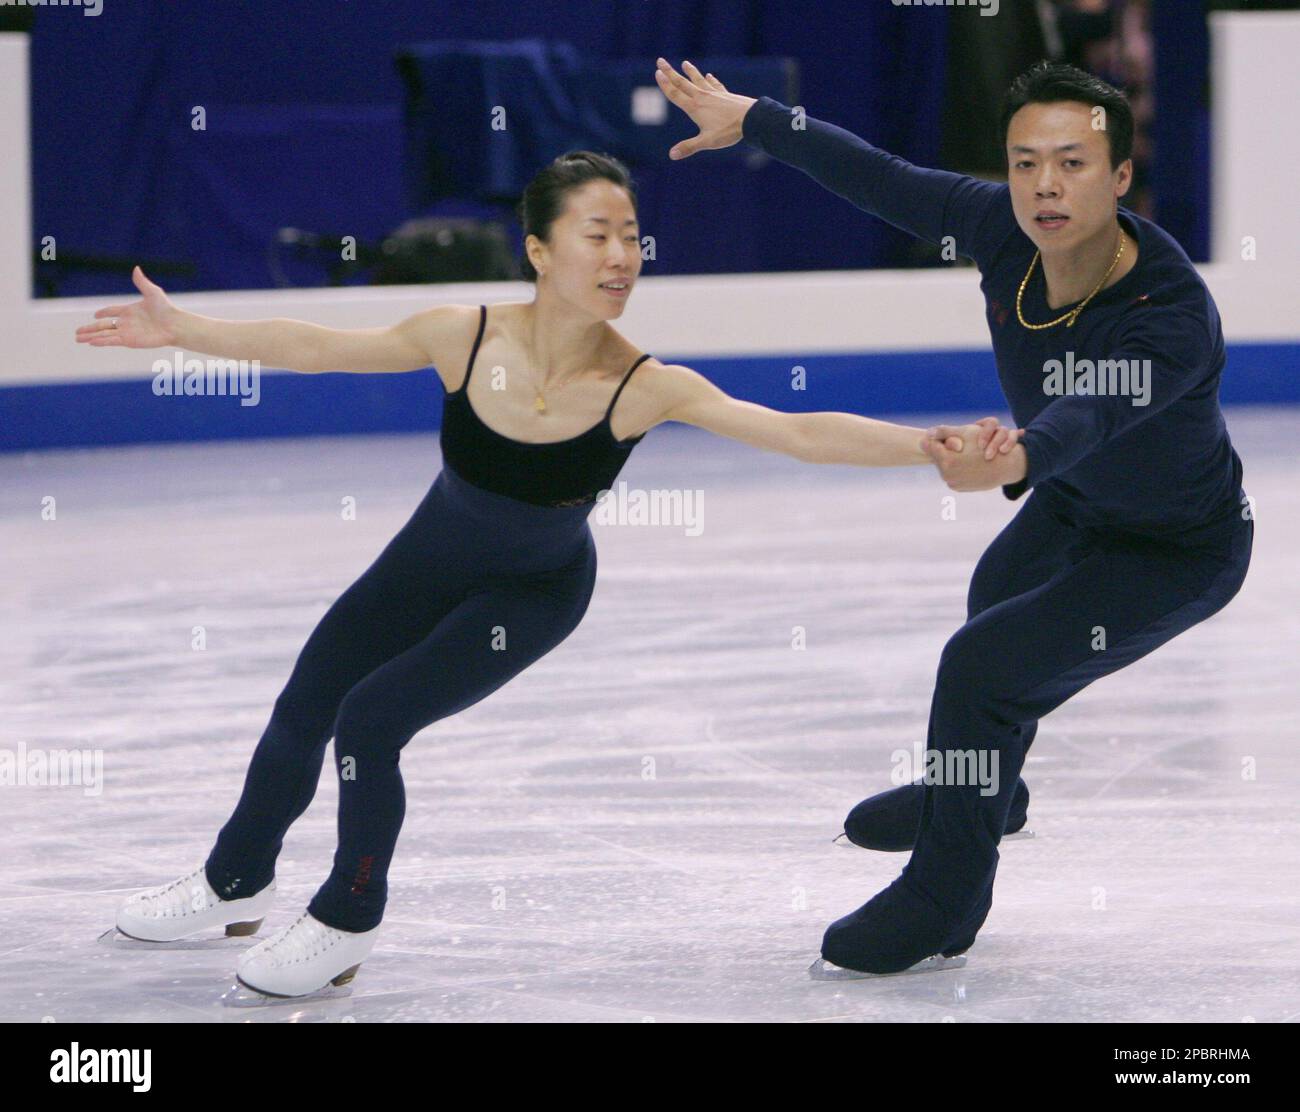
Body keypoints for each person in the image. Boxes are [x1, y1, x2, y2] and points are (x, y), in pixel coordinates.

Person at [80, 151, 1018, 997]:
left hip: (531, 595)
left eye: (633, 237)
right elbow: (322, 347)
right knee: (307, 701)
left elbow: (795, 431)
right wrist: (184, 330)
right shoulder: (464, 334)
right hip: (423, 561)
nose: (622, 256)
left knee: (372, 721)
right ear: (537, 250)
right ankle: (232, 882)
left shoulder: (644, 383)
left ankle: (345, 920)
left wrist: (925, 448)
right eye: (597, 234)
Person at [655, 57, 1252, 975]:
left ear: (1123, 176)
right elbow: (884, 178)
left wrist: (1016, 457)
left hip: (1178, 547)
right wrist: (758, 119)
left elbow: (1096, 406)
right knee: (996, 598)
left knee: (980, 667)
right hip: (1076, 507)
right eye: (1023, 163)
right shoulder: (1003, 231)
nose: (1044, 185)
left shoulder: (1168, 313)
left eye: (1072, 163)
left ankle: (945, 896)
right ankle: (981, 791)